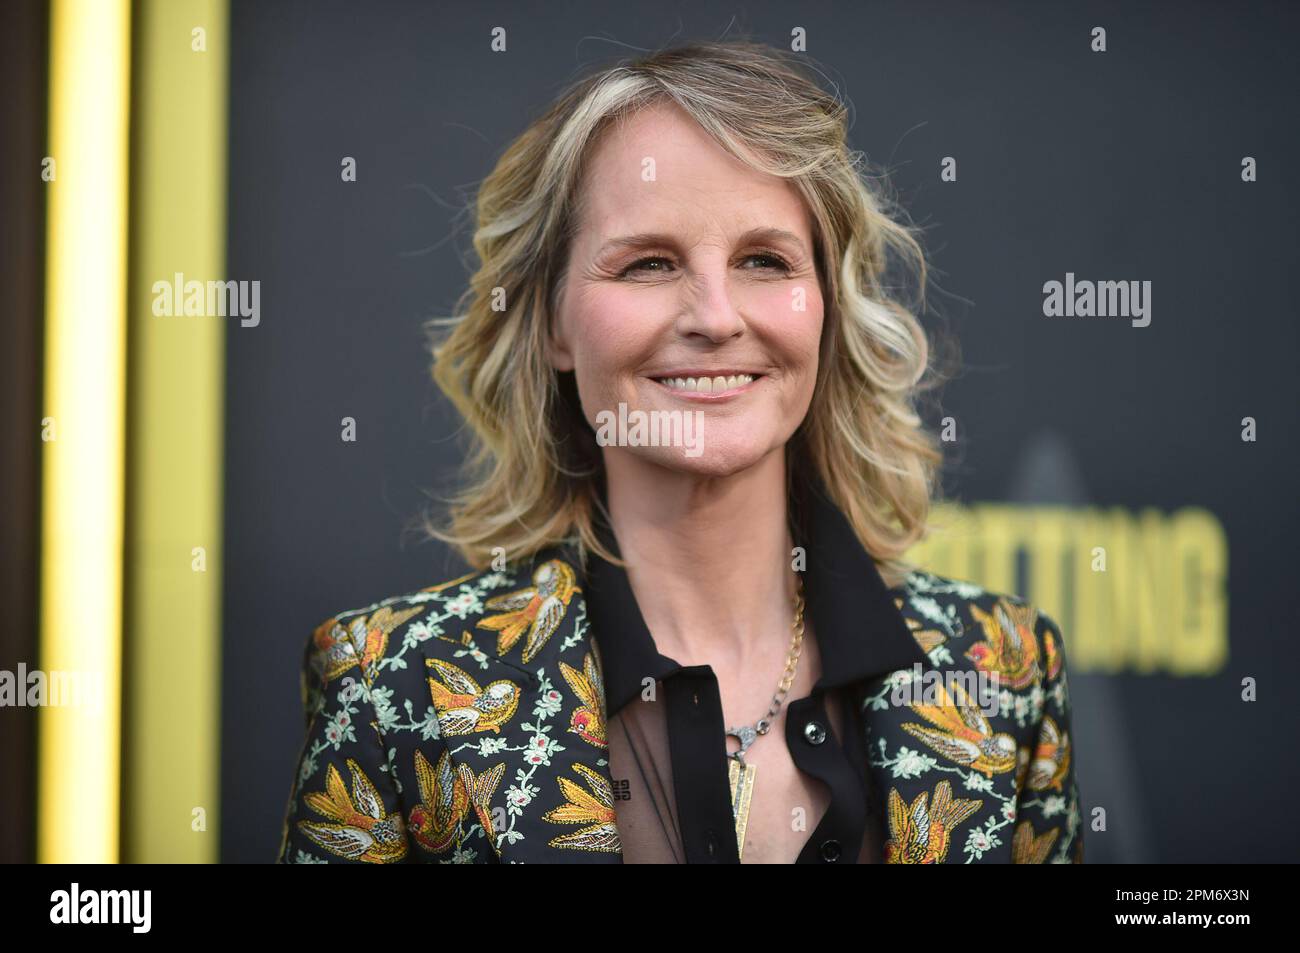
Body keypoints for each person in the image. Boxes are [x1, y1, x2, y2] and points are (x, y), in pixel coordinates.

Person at [277, 40, 1082, 864]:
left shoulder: (1004, 673)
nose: (716, 315)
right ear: (553, 322)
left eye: (764, 260)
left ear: (826, 312)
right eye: (650, 263)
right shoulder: (392, 687)